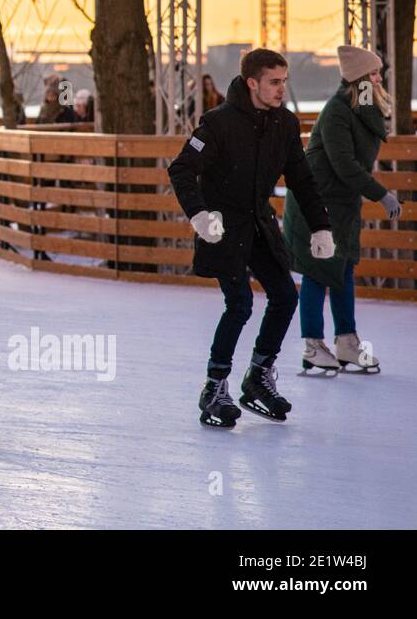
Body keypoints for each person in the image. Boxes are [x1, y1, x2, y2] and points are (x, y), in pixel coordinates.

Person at [167, 48, 334, 428]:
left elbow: (302, 180)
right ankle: (214, 386)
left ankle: (258, 375)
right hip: (222, 229)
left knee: (285, 295)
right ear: (252, 83)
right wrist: (200, 215)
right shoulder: (217, 123)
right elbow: (180, 170)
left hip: (259, 224)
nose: (281, 89)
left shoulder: (285, 125)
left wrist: (321, 225)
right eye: (274, 82)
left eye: (284, 81)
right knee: (240, 304)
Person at [284, 45, 396, 375]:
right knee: (319, 273)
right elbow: (344, 164)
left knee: (344, 270)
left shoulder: (362, 106)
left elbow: (356, 157)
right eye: (373, 73)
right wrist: (382, 195)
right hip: (317, 204)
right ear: (359, 79)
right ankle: (312, 346)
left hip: (342, 203)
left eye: (379, 72)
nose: (378, 78)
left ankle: (346, 343)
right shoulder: (335, 112)